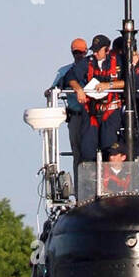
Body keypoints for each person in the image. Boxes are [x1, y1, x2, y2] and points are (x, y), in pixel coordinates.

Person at [68, 34, 124, 163]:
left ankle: (108, 181)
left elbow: (128, 82)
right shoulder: (88, 62)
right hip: (92, 111)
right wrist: (78, 89)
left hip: (110, 111)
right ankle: (90, 180)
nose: (95, 53)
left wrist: (108, 85)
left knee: (109, 149)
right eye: (93, 50)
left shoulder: (119, 61)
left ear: (107, 49)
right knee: (87, 150)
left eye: (98, 50)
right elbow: (70, 76)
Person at [50, 37, 89, 174]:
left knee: (94, 152)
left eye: (81, 53)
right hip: (76, 116)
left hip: (93, 116)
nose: (79, 56)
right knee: (77, 153)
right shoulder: (64, 71)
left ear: (86, 52)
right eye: (76, 53)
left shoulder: (93, 69)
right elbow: (52, 90)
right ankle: (80, 190)